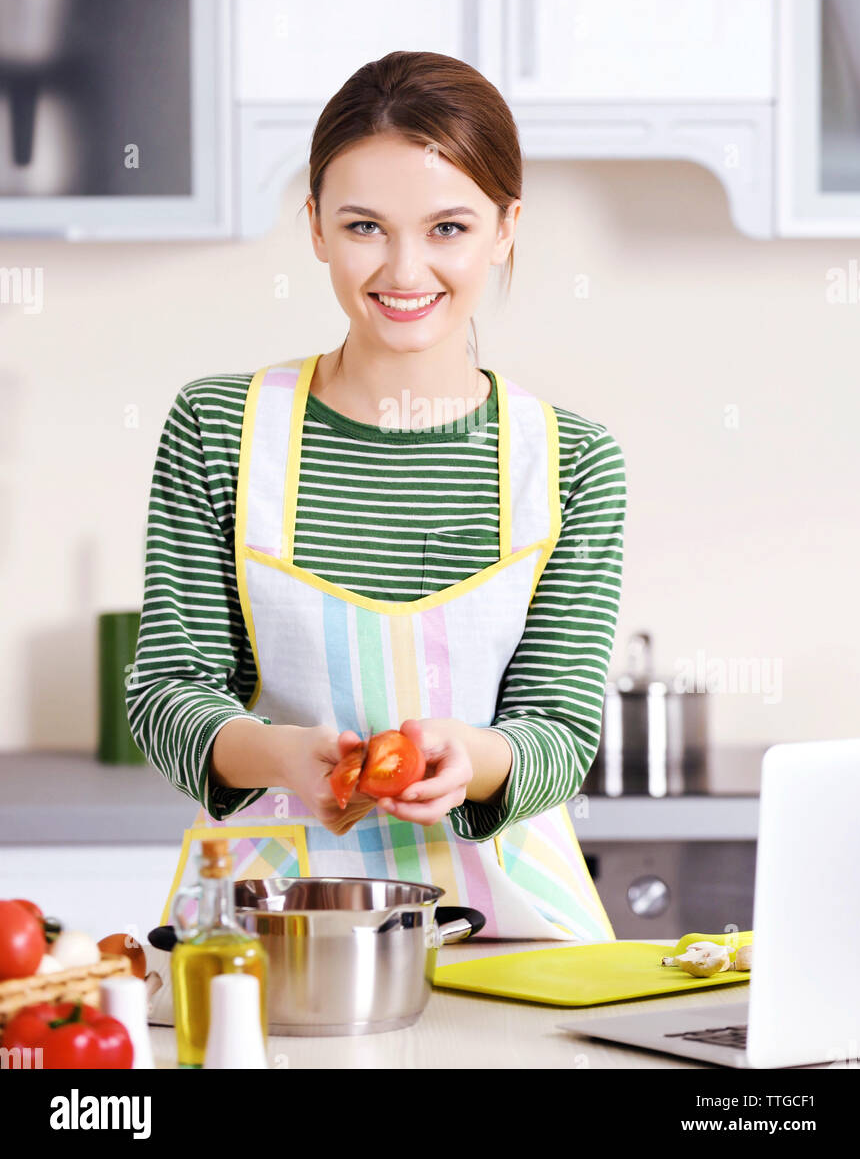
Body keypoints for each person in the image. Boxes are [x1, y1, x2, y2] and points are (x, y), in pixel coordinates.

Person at [127, 51, 627, 941]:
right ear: (315, 225)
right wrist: (286, 756)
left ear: (506, 228)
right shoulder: (218, 428)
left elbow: (559, 731)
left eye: (448, 228)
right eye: (365, 226)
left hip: (506, 927)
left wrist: (470, 759)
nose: (403, 270)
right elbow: (170, 691)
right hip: (272, 919)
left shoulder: (571, 461)